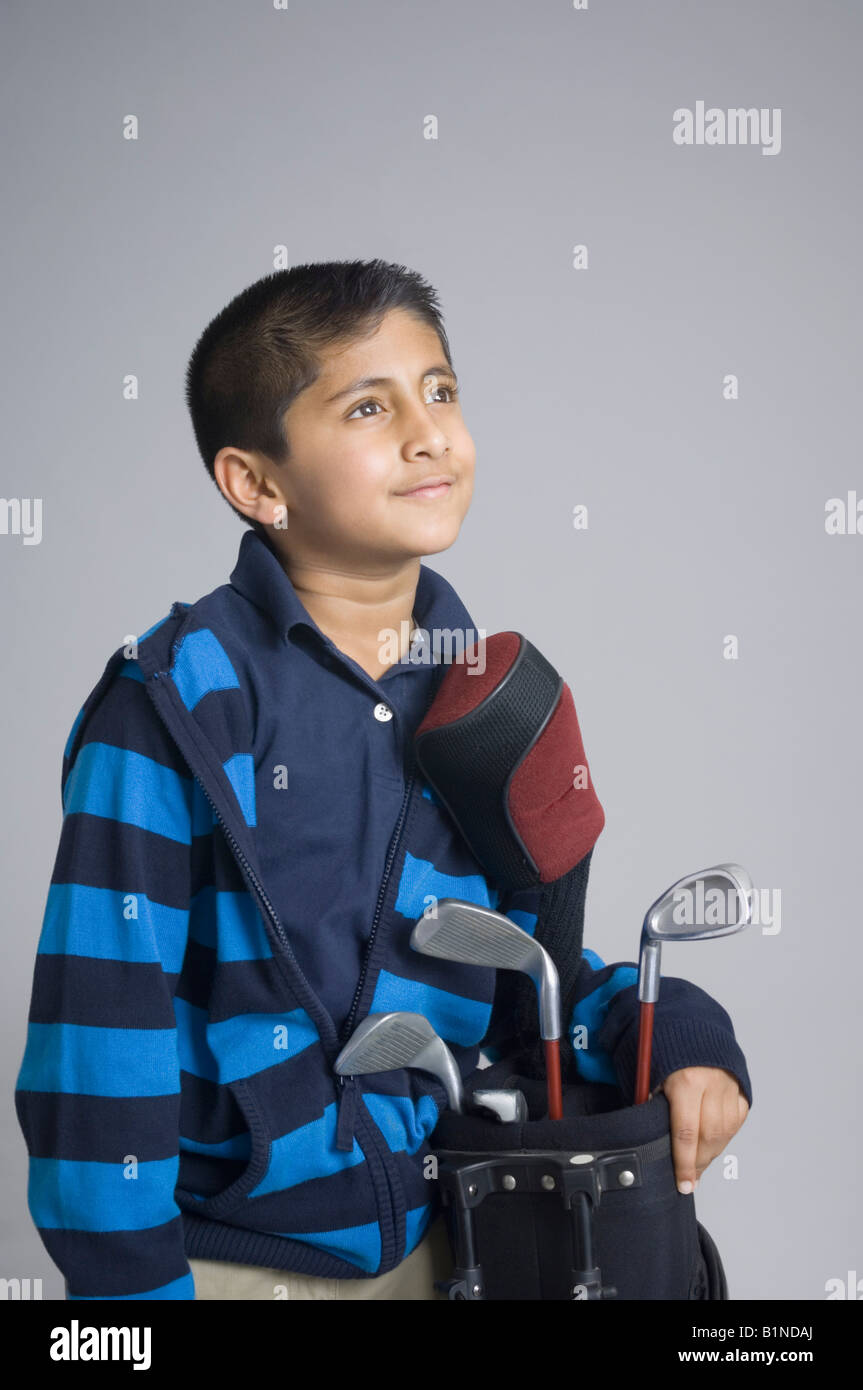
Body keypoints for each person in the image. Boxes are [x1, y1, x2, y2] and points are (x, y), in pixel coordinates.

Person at [14, 259, 751, 1300]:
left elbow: (524, 986)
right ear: (255, 483)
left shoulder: (486, 701)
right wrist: (131, 1308)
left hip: (449, 1244)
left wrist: (675, 1033)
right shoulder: (174, 701)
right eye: (368, 405)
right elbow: (97, 1036)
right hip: (220, 1265)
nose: (427, 431)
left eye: (439, 389)